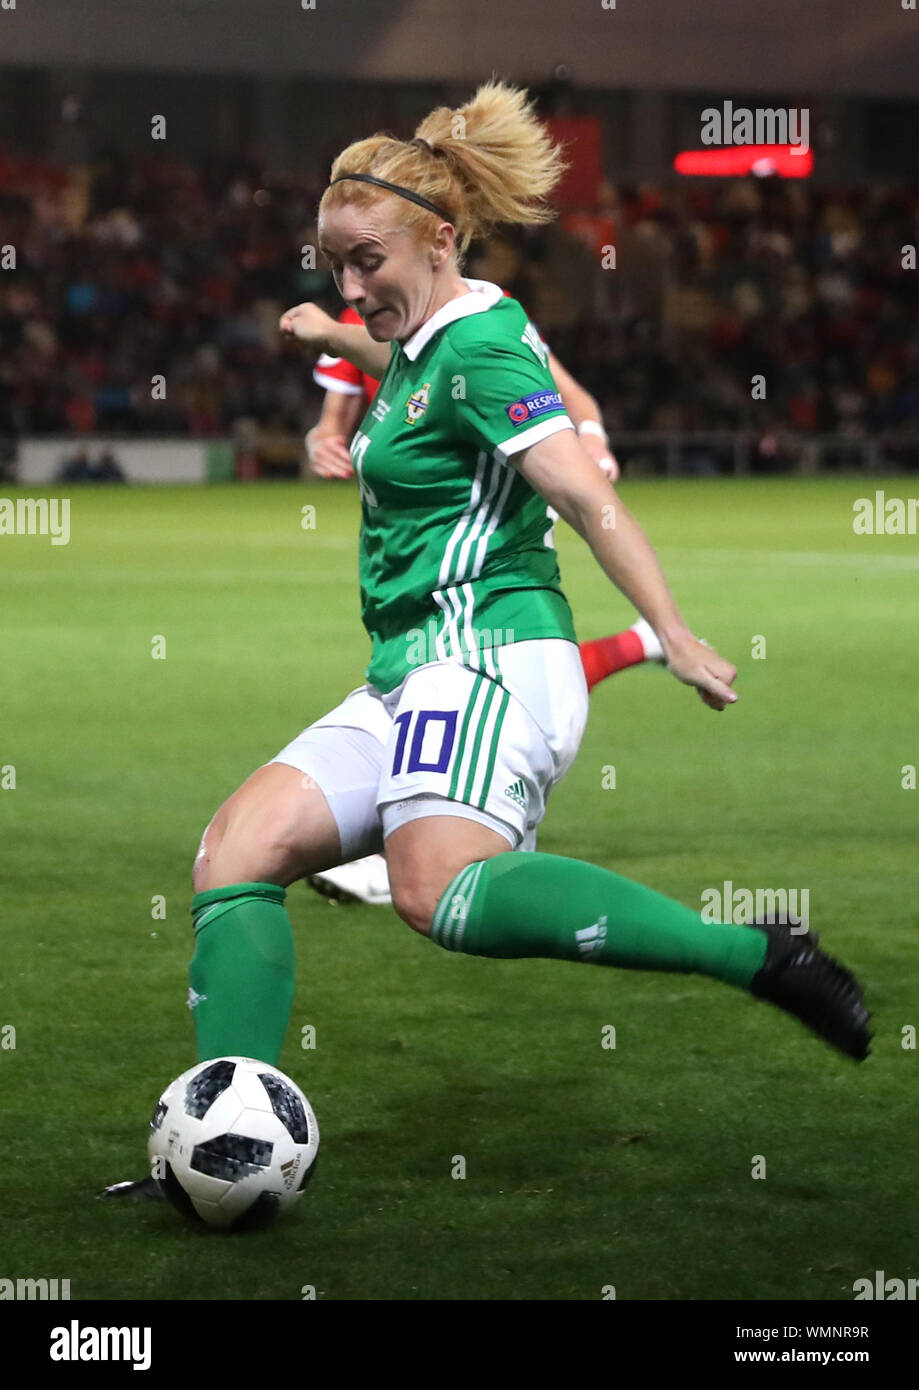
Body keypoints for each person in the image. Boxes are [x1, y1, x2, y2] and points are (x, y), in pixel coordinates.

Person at [189, 80, 870, 1073]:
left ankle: (756, 952)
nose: (350, 286)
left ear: (442, 240)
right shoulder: (424, 342)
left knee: (435, 891)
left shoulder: (485, 349)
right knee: (232, 850)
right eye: (335, 264)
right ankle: (224, 1117)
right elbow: (414, 379)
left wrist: (670, 633)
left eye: (365, 262)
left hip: (491, 661)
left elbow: (591, 499)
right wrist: (334, 336)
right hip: (408, 671)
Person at [298, 300, 661, 904]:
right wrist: (321, 439)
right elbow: (334, 418)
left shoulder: (483, 329)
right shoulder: (374, 323)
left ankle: (412, 851)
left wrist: (592, 445)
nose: (358, 283)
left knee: (477, 659)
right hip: (409, 527)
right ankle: (456, 840)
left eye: (366, 259)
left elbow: (576, 403)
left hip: (486, 525)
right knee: (440, 673)